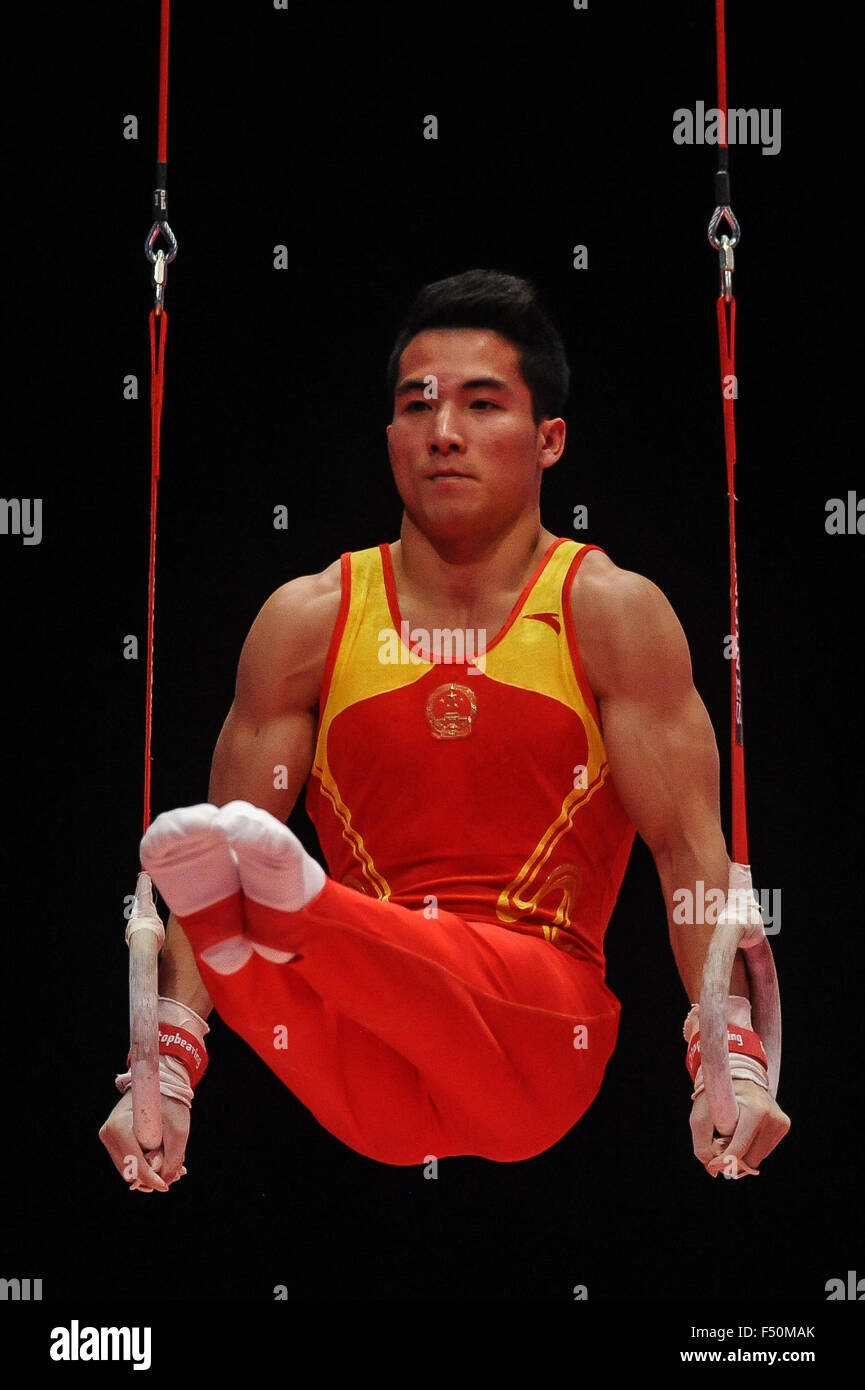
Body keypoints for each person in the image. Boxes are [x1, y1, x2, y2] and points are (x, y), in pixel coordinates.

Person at [99, 269, 790, 1192]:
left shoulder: (609, 613)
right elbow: (206, 865)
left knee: (286, 912)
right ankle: (285, 927)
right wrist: (163, 1070)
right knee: (232, 902)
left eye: (480, 404)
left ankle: (305, 914)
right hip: (364, 1059)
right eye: (416, 406)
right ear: (389, 434)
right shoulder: (306, 624)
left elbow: (688, 856)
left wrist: (729, 1054)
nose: (443, 432)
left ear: (549, 440)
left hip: (540, 1040)